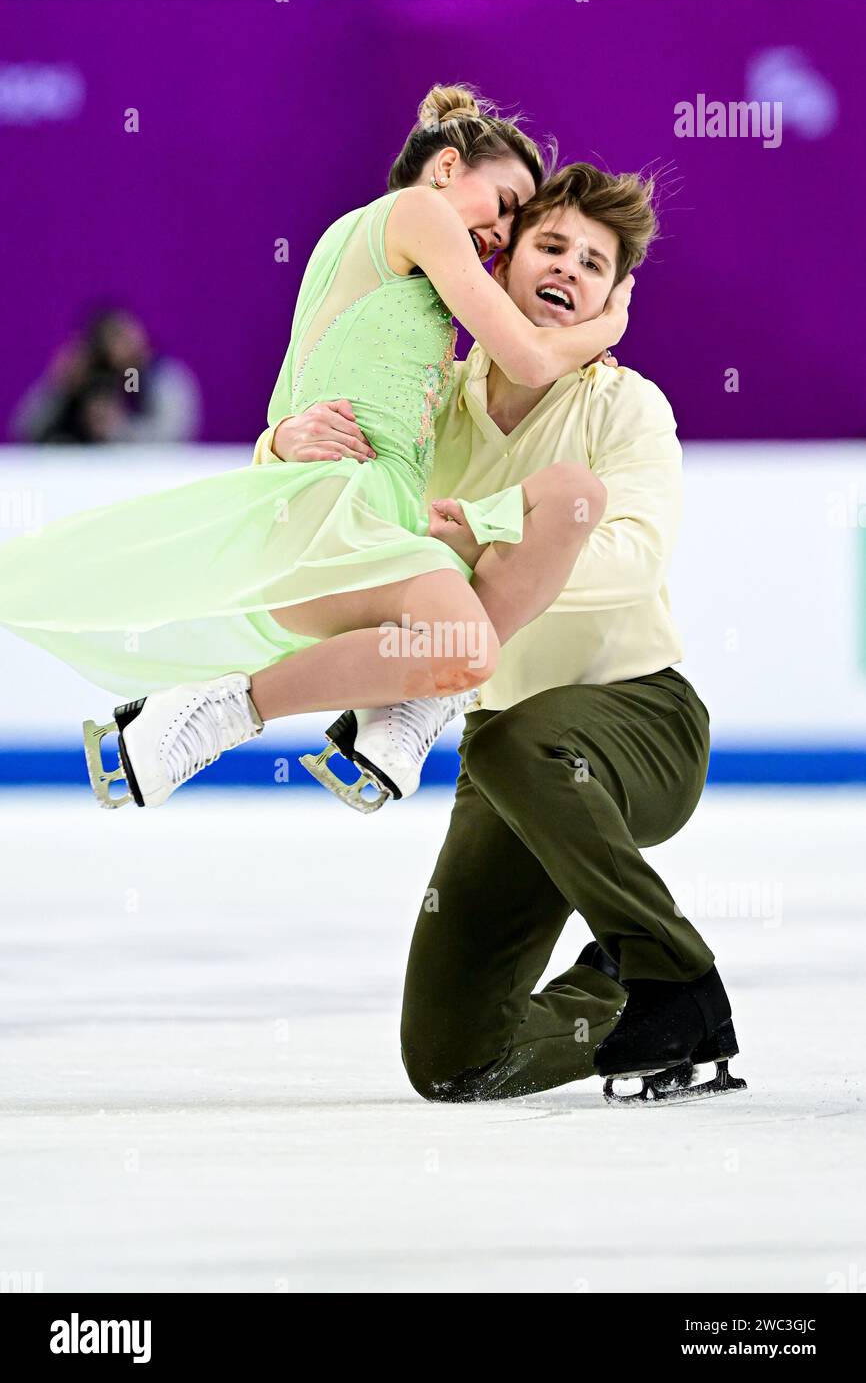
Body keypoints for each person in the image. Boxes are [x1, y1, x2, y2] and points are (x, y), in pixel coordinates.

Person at [0, 85, 631, 813]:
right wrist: (607, 323)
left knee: (560, 510)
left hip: (376, 523)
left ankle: (406, 702)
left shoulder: (401, 276)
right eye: (509, 202)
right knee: (468, 649)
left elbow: (323, 376)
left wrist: (277, 437)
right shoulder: (416, 213)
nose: (508, 229)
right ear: (449, 167)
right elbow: (525, 356)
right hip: (333, 522)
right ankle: (225, 708)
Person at [275, 162, 744, 1103]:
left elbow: (633, 556)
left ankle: (679, 981)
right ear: (504, 260)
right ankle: (614, 998)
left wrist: (483, 532)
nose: (568, 268)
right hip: (504, 752)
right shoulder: (433, 399)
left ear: (615, 295)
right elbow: (335, 482)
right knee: (455, 1059)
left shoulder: (625, 406)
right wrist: (283, 441)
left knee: (526, 740)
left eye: (594, 262)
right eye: (550, 245)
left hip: (641, 723)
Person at [11, 308, 202, 444]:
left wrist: (118, 429)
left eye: (124, 336)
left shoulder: (151, 375)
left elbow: (172, 434)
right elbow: (25, 429)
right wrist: (58, 385)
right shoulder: (84, 376)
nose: (120, 347)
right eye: (108, 340)